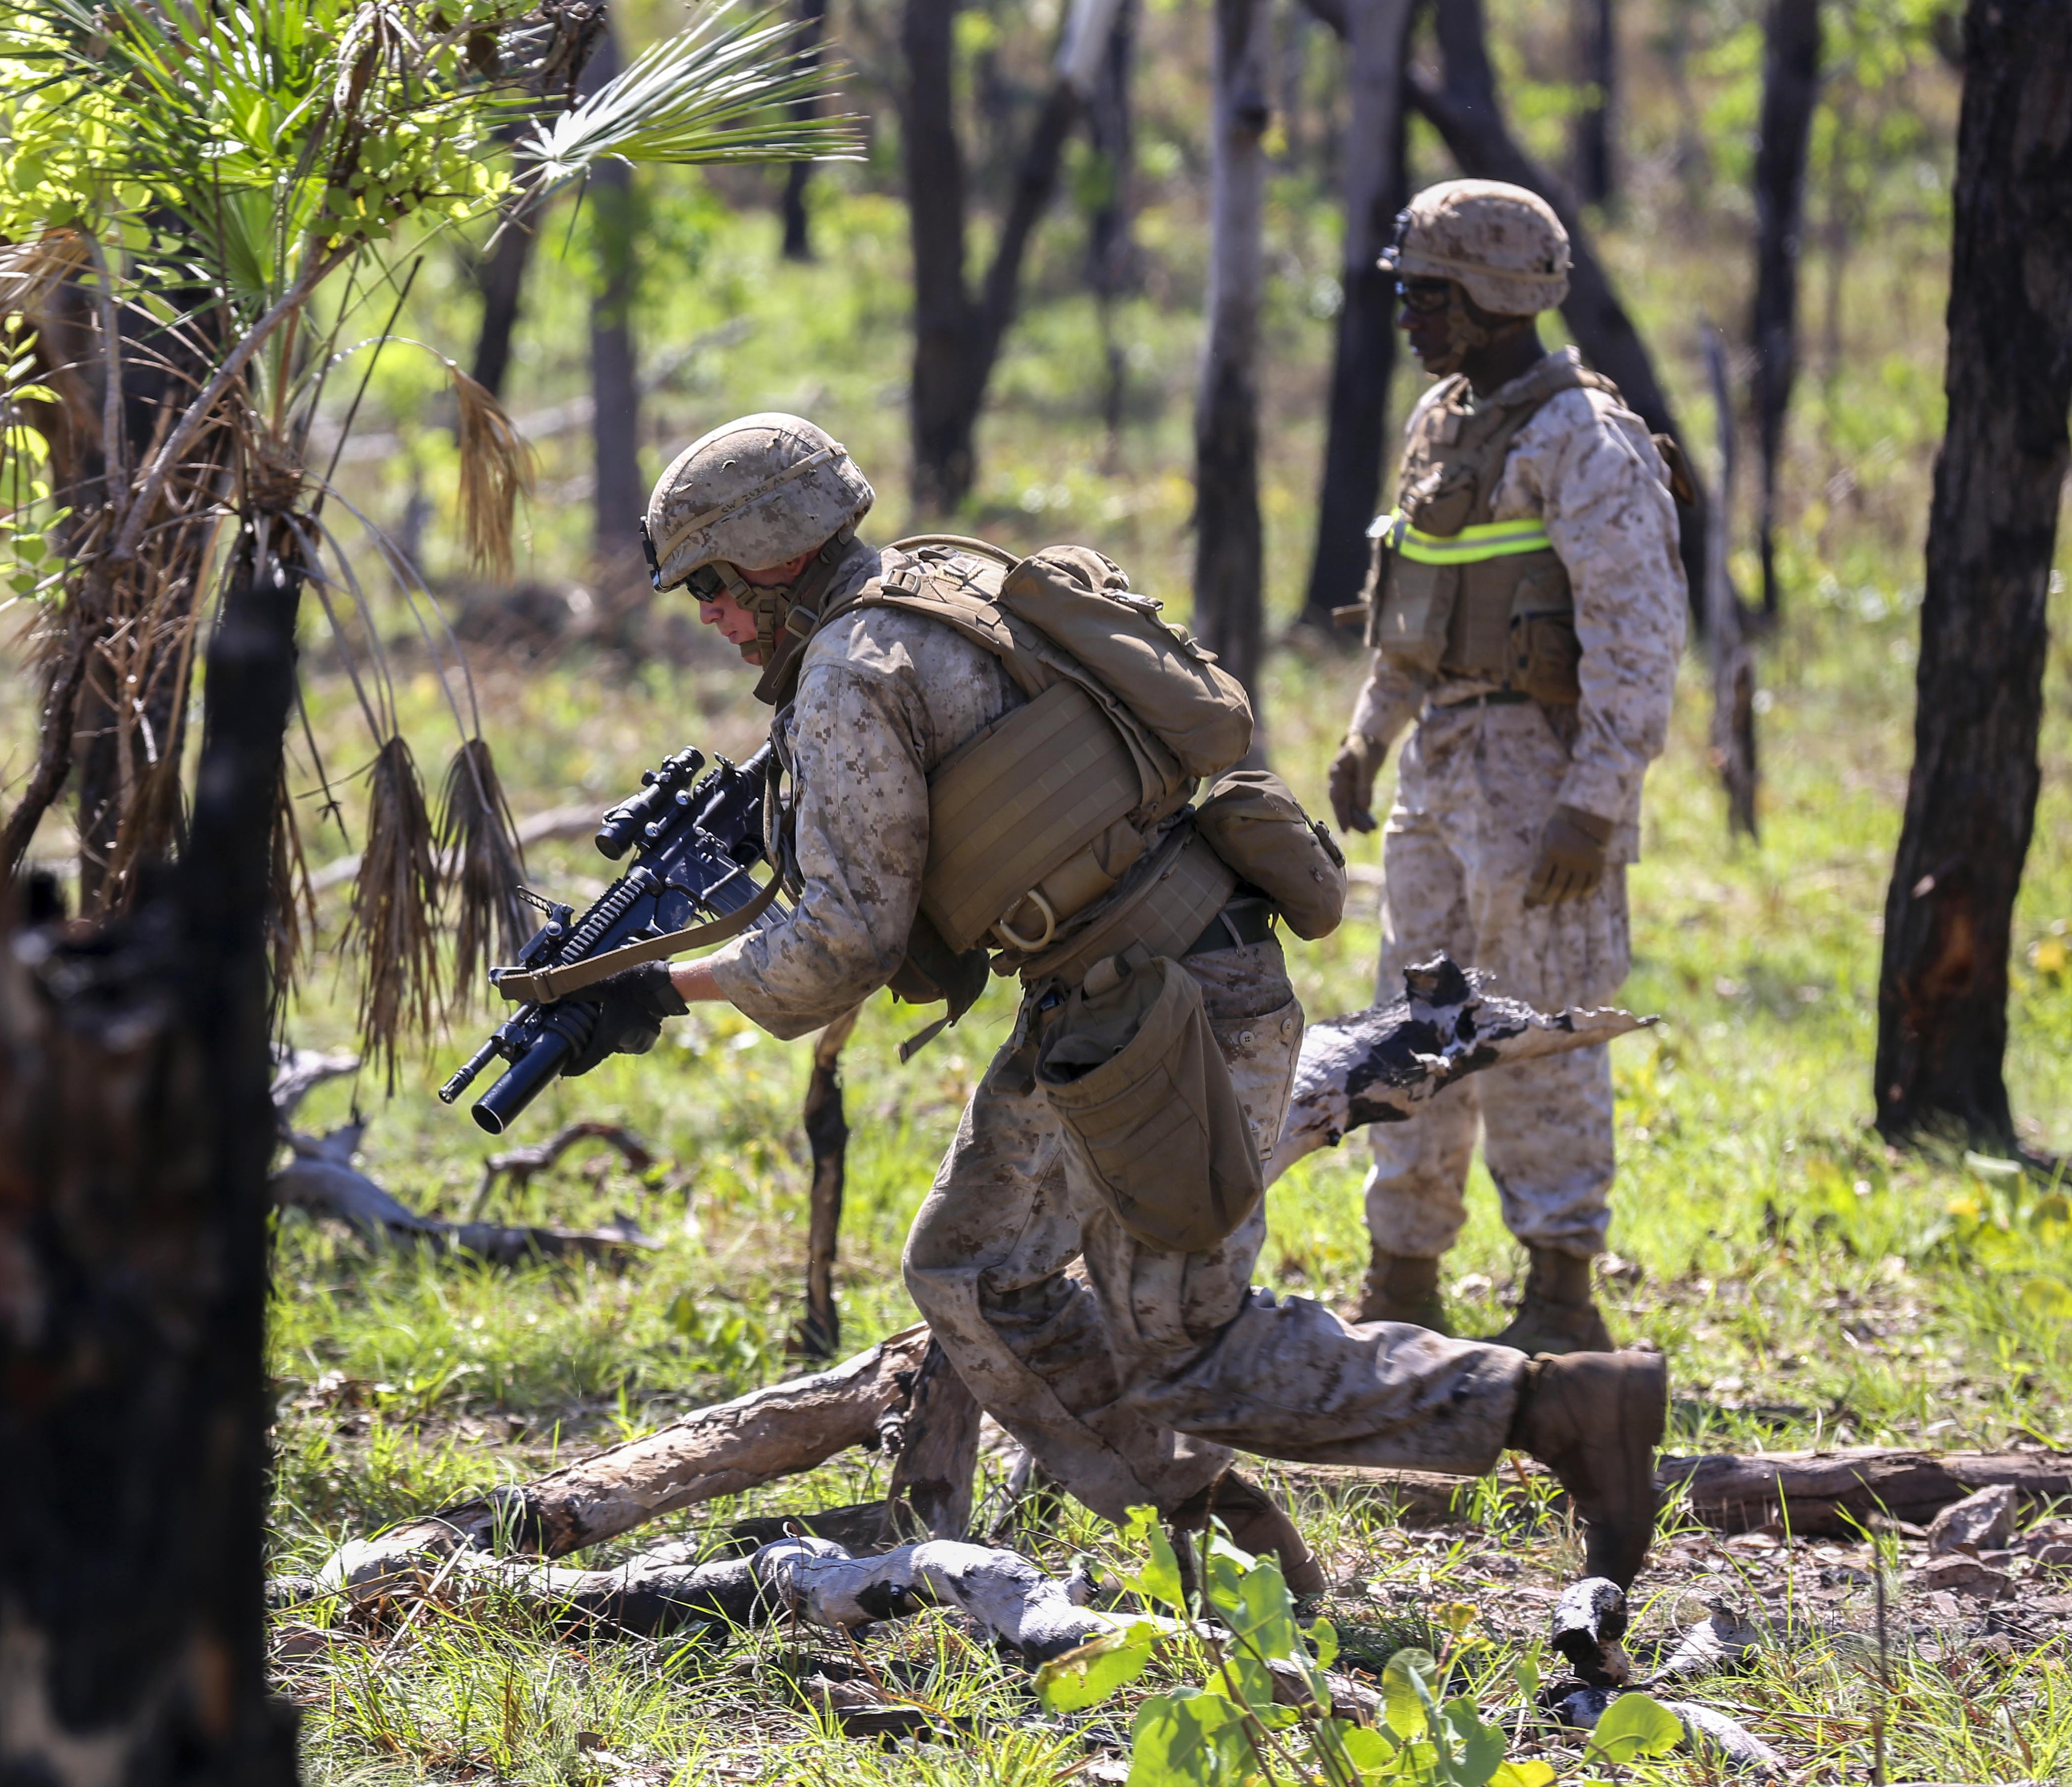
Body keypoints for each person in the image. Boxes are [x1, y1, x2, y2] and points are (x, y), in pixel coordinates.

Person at [558, 409, 1670, 1591]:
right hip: (1122, 992)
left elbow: (844, 940)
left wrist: (656, 990)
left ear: (777, 554)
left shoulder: (849, 669)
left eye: (715, 587)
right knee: (974, 1266)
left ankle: (1552, 1408)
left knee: (1191, 1339)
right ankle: (1195, 1515)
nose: (713, 620)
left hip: (1168, 1004)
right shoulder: (945, 577)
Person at [1326, 180, 1688, 1356]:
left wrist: (1594, 804)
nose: (1409, 315)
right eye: (1404, 291)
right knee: (1410, 1028)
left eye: (1426, 293)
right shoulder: (1443, 423)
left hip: (1540, 783)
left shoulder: (1582, 441)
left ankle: (1560, 1294)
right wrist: (1368, 735)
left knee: (1541, 1034)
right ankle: (1403, 1278)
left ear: (1491, 292)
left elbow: (1637, 635)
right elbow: (1411, 609)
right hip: (1440, 775)